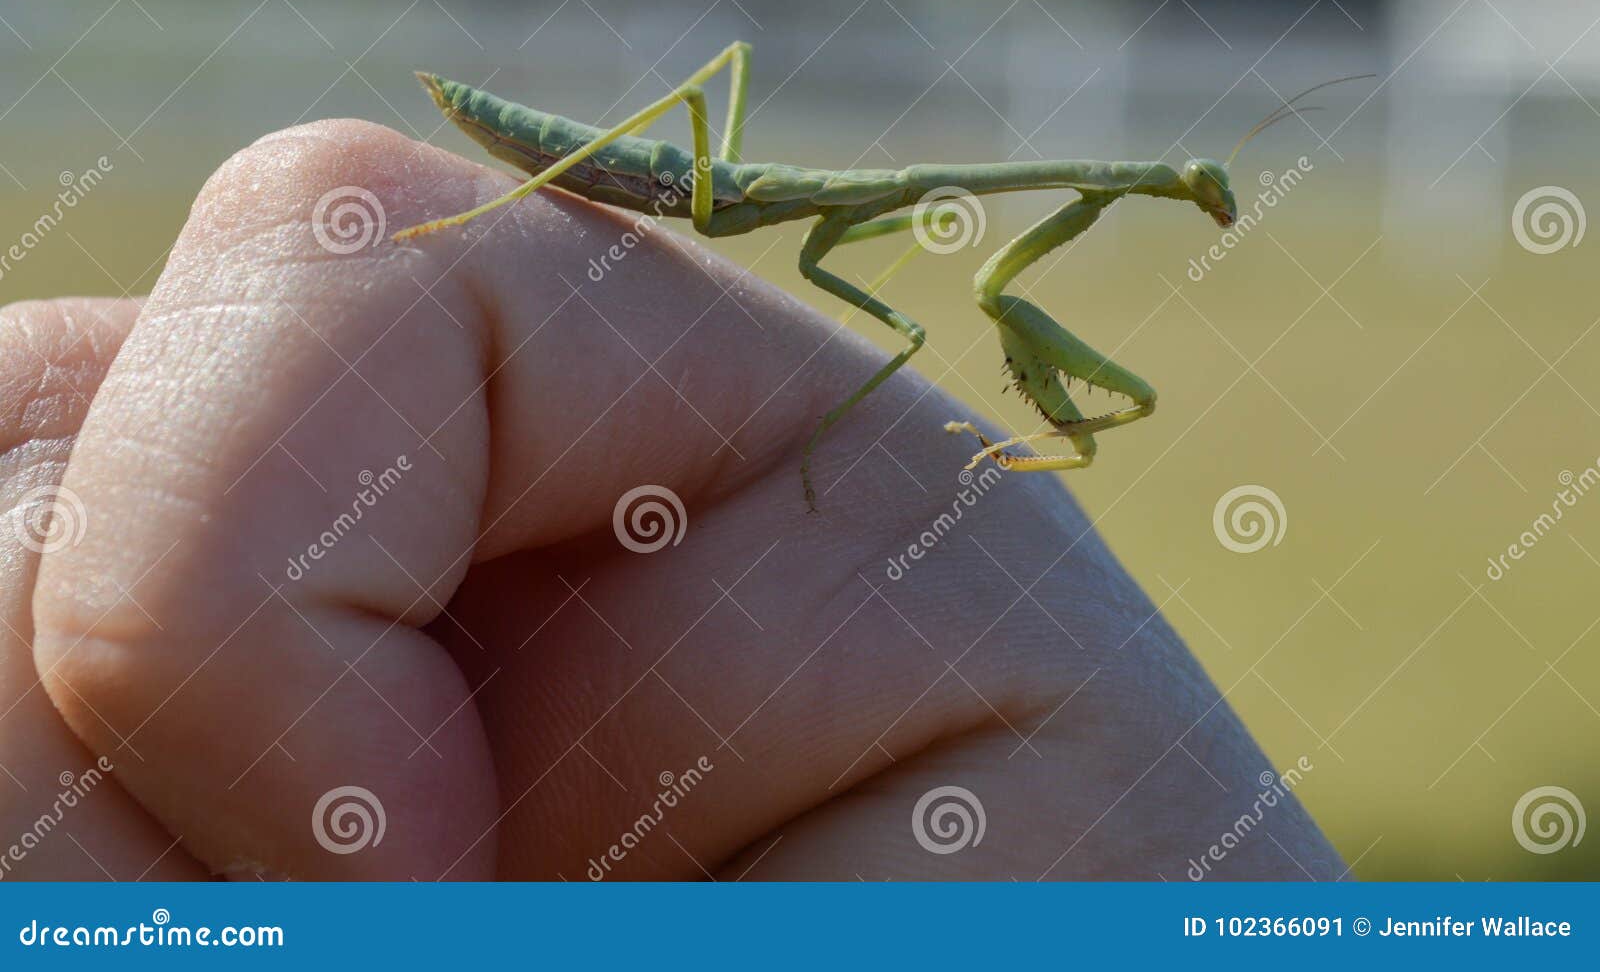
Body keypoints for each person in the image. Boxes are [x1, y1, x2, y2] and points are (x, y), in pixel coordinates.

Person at [1, 120, 1342, 880]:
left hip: (704, 206)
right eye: (1183, 187)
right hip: (681, 172)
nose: (1195, 201)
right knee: (918, 323)